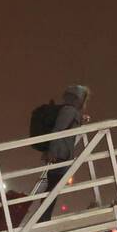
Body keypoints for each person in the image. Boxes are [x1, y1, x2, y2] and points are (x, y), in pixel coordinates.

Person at [39, 86, 91, 222]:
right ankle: (43, 217)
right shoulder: (68, 111)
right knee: (53, 187)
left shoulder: (69, 111)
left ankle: (44, 216)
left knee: (53, 186)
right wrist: (52, 151)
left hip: (61, 153)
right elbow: (58, 130)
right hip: (60, 154)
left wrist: (80, 119)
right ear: (78, 99)